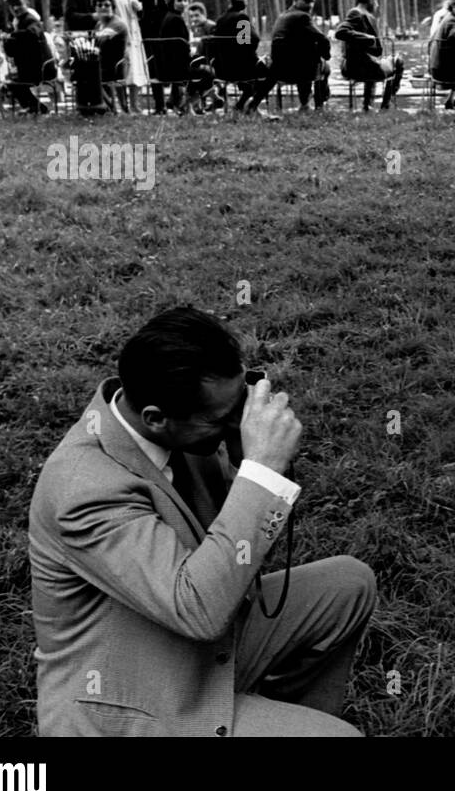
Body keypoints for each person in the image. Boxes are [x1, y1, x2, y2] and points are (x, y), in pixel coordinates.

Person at [29, 308, 376, 736]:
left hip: (183, 646)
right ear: (156, 417)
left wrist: (246, 462)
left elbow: (235, 549)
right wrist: (262, 473)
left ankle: (285, 720)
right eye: (220, 418)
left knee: (347, 584)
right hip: (133, 697)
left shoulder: (181, 429)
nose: (235, 423)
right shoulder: (85, 490)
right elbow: (199, 611)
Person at [246, 0, 332, 115]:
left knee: (308, 55)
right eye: (306, 1)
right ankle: (317, 107)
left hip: (278, 70)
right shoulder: (302, 17)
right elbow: (323, 39)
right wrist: (326, 55)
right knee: (324, 66)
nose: (310, 5)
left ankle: (254, 104)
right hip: (296, 70)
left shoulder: (283, 16)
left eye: (312, 1)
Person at [131, 0, 186, 114]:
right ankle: (159, 105)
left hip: (170, 25)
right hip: (149, 27)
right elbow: (141, 4)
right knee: (153, 65)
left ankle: (176, 102)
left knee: (174, 62)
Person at [334, 0, 406, 111]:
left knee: (372, 60)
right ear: (371, 0)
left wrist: (371, 45)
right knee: (398, 60)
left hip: (357, 66)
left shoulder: (365, 15)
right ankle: (386, 104)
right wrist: (368, 38)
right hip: (358, 68)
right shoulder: (356, 13)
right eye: (376, 1)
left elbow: (376, 51)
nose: (377, 5)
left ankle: (367, 106)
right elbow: (340, 32)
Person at [104, 0, 151, 113]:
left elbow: (136, 14)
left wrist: (138, 8)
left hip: (134, 34)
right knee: (121, 70)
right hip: (119, 34)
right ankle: (123, 106)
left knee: (135, 71)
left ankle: (135, 105)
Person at [1, 0, 57, 114]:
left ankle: (36, 108)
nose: (16, 8)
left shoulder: (31, 20)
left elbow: (32, 34)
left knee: (14, 84)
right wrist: (10, 41)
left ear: (26, 4)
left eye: (19, 4)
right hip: (28, 68)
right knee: (11, 83)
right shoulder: (18, 22)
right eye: (12, 6)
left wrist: (13, 36)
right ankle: (34, 107)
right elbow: (12, 49)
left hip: (40, 68)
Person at [207, 0, 263, 113]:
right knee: (265, 71)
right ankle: (247, 105)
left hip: (222, 69)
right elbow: (250, 41)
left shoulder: (220, 20)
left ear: (230, 2)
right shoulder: (241, 18)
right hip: (241, 69)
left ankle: (241, 104)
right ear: (245, 3)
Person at [156, 0, 193, 114]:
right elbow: (181, 49)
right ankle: (185, 104)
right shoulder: (176, 19)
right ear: (172, 1)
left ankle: (173, 100)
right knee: (207, 73)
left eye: (185, 0)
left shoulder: (170, 16)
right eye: (179, 0)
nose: (183, 3)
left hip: (167, 65)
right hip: (175, 68)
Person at [91, 0, 128, 113]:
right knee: (83, 70)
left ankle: (112, 107)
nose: (103, 7)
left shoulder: (117, 24)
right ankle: (107, 107)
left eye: (107, 5)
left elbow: (102, 40)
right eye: (99, 5)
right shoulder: (99, 25)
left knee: (88, 74)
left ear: (112, 7)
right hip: (101, 64)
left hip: (114, 66)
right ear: (95, 7)